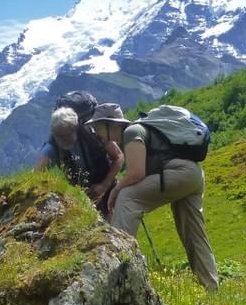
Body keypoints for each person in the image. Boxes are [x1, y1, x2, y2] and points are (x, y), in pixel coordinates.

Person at [93, 106, 219, 290]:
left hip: (179, 173)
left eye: (97, 126)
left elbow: (136, 173)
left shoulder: (131, 132)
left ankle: (117, 269)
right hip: (192, 175)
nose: (95, 131)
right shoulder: (136, 132)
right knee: (193, 231)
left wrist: (115, 190)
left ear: (110, 125)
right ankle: (211, 288)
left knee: (127, 197)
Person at [35, 104, 121, 216]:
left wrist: (104, 185)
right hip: (83, 198)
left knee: (119, 226)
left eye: (65, 136)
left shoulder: (94, 133)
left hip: (109, 188)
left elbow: (118, 157)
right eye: (58, 136)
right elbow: (35, 175)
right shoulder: (52, 147)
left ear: (75, 128)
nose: (61, 140)